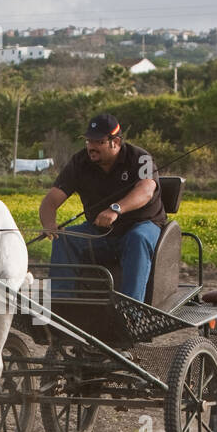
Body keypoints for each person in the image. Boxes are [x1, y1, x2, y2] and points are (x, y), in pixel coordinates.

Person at [38, 114, 164, 301]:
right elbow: (51, 201)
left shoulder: (140, 158)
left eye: (98, 141)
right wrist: (49, 223)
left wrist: (116, 209)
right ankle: (60, 303)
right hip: (100, 231)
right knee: (64, 240)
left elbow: (146, 190)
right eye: (88, 141)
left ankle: (131, 308)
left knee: (138, 238)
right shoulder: (79, 163)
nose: (91, 147)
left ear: (116, 141)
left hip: (141, 225)